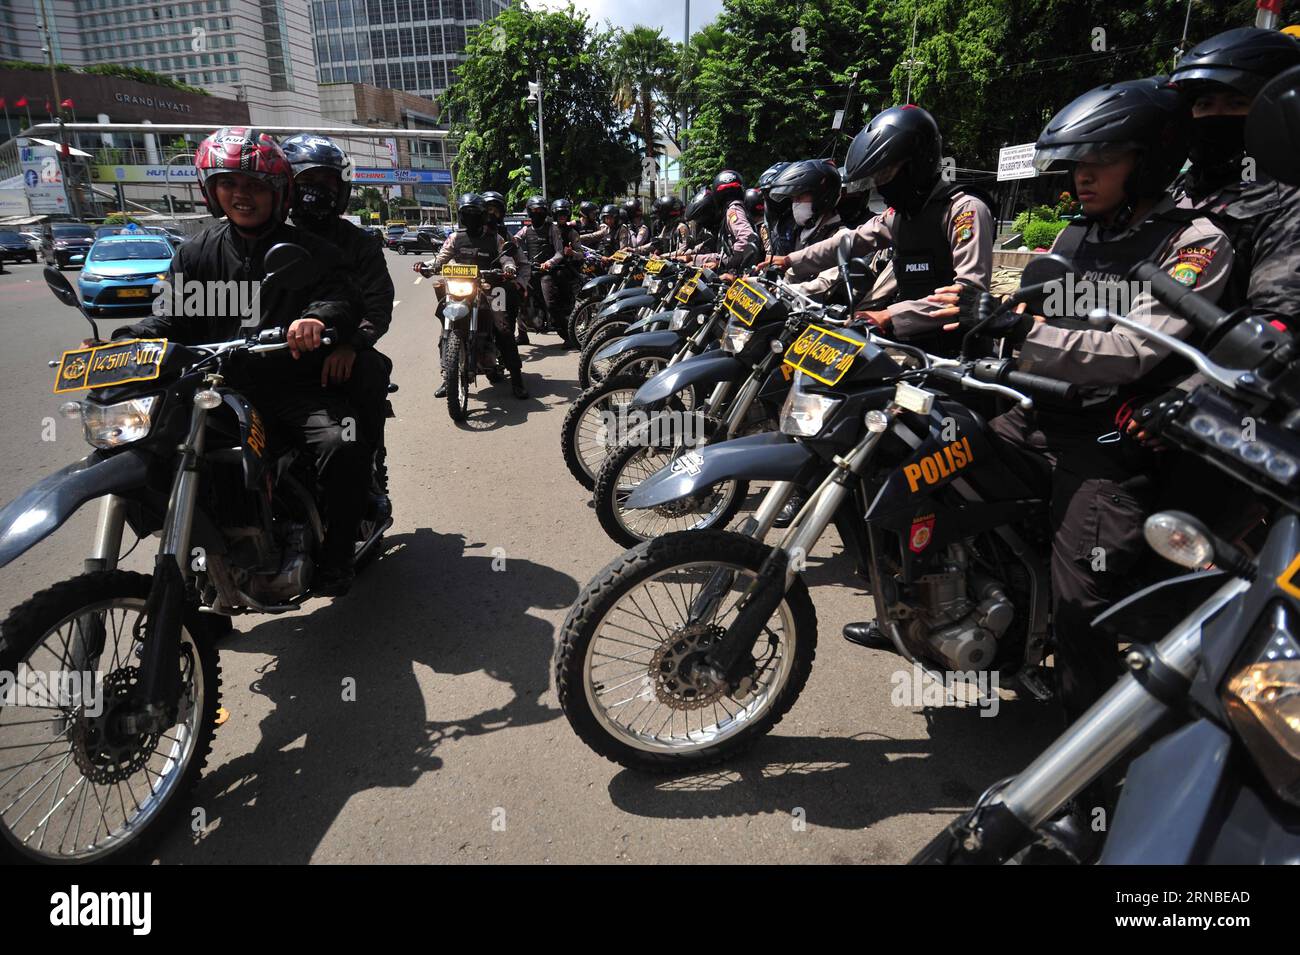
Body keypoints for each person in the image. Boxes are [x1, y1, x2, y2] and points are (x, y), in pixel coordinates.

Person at [913, 77, 1235, 733]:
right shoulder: (1073, 238)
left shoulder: (1196, 242)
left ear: (1147, 159)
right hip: (1038, 412)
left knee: (1083, 597)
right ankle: (950, 616)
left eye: (1101, 162)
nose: (1082, 178)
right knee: (925, 457)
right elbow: (1026, 314)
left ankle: (1088, 757)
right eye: (1077, 164)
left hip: (1114, 438)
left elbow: (1128, 350)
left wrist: (1016, 329)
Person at [117, 127, 368, 595]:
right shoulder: (195, 253)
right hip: (213, 390)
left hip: (291, 385)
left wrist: (315, 319)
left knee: (340, 442)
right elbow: (170, 316)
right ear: (211, 191)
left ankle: (336, 554)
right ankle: (207, 563)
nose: (241, 195)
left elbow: (342, 298)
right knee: (152, 449)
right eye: (229, 184)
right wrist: (128, 339)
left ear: (278, 192)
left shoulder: (314, 252)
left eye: (254, 186)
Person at [761, 106, 994, 351]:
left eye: (885, 175)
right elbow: (849, 241)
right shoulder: (900, 216)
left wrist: (888, 316)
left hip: (954, 356)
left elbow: (966, 296)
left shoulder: (964, 210)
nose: (880, 188)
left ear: (915, 163)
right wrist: (788, 260)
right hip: (908, 342)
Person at [281, 133, 395, 522]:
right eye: (306, 183)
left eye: (326, 183)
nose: (316, 192)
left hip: (340, 353)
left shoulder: (357, 244)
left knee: (370, 373)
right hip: (271, 357)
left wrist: (353, 344)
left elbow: (377, 303)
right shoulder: (267, 236)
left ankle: (365, 472)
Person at [1168, 27, 1300, 331]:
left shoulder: (1284, 198)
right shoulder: (1173, 192)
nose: (1217, 116)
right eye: (1204, 104)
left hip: (1220, 368)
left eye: (1236, 103)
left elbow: (1276, 319)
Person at [425, 192, 529, 399]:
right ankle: (448, 377)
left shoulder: (496, 238)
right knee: (447, 325)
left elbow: (507, 258)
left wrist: (508, 269)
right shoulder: (455, 238)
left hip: (491, 286)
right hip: (461, 286)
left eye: (475, 214)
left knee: (503, 328)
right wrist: (428, 267)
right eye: (467, 214)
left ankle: (517, 378)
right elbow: (441, 258)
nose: (471, 218)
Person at [481, 189, 529, 353]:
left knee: (504, 328)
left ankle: (513, 367)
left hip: (499, 288)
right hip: (473, 284)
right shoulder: (466, 234)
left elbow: (522, 263)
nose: (491, 214)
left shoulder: (506, 237)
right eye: (488, 209)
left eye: (496, 210)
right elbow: (450, 253)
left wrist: (519, 283)